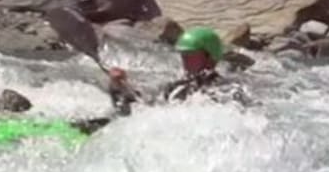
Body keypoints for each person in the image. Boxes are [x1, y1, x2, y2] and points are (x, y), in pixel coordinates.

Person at [107, 26, 250, 116]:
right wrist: (118, 87)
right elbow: (141, 109)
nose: (185, 60)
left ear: (210, 57)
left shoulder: (229, 91)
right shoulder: (176, 88)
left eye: (191, 55)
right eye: (183, 55)